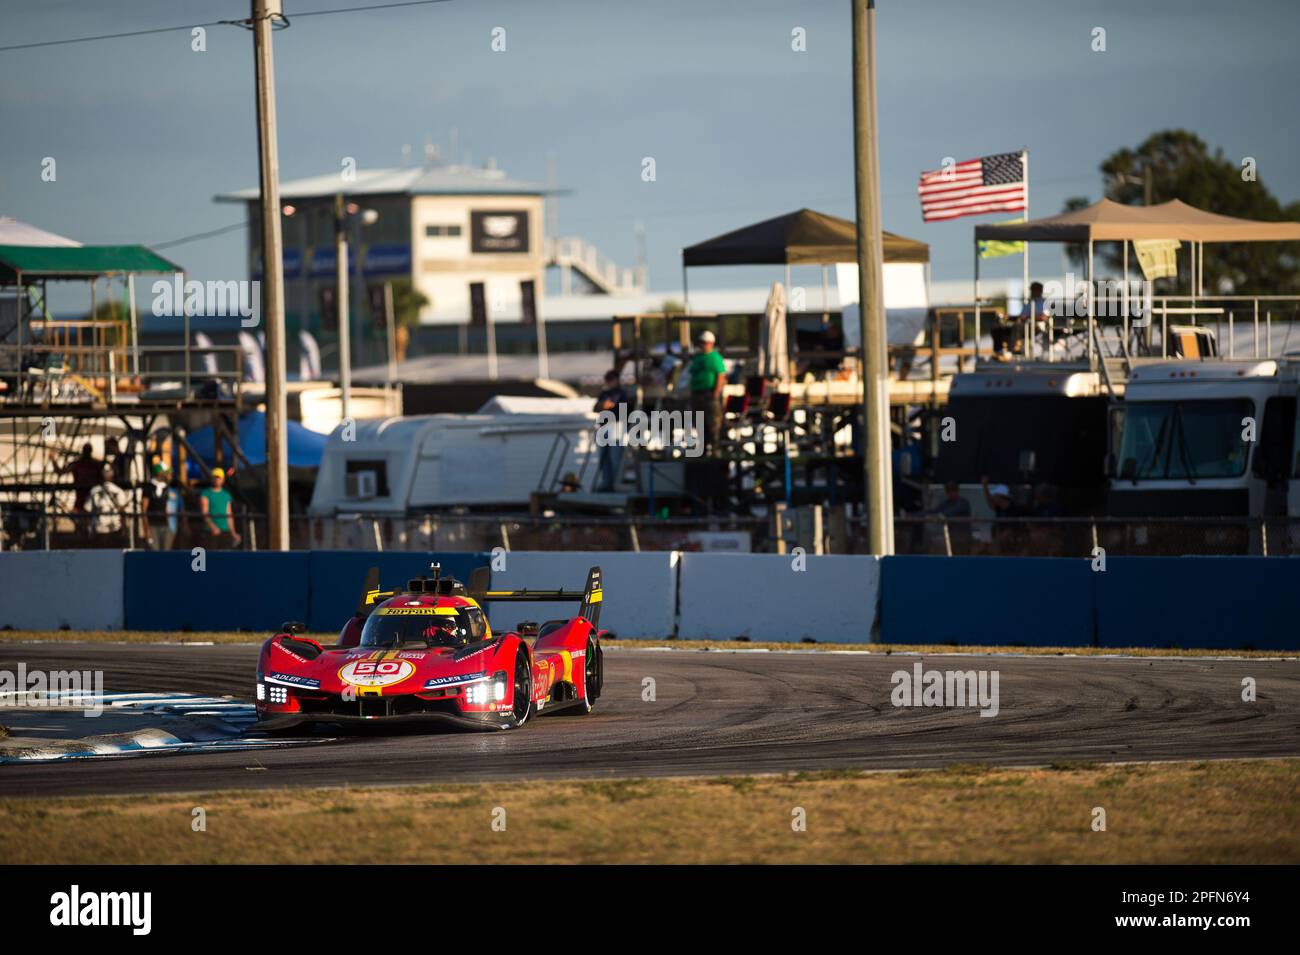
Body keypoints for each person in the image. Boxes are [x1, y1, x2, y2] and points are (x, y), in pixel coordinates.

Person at [687, 329, 727, 456]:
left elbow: (721, 376)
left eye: (705, 342)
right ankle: (703, 449)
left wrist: (715, 394)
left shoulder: (715, 357)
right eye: (701, 342)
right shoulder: (697, 357)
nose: (703, 345)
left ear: (711, 343)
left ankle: (715, 449)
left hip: (709, 394)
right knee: (699, 422)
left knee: (713, 422)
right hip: (697, 394)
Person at [593, 369, 630, 492]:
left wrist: (609, 406)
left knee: (616, 457)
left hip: (616, 426)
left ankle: (615, 483)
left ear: (617, 380)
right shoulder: (604, 393)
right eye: (607, 379)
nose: (609, 382)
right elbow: (595, 407)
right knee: (604, 457)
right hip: (603, 427)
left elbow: (623, 409)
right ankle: (606, 482)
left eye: (611, 379)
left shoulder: (621, 393)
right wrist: (603, 405)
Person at [85, 464, 132, 546]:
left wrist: (90, 529)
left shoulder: (94, 490)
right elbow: (123, 511)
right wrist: (125, 529)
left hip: (99, 529)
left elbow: (88, 510)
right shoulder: (119, 491)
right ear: (113, 476)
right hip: (114, 529)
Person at [60, 443, 101, 531]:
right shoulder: (82, 464)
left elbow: (61, 472)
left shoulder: (95, 464)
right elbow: (61, 472)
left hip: (91, 498)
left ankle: (85, 534)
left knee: (87, 521)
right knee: (81, 520)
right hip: (82, 499)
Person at [141, 461, 182, 550]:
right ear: (160, 473)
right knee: (154, 550)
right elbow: (144, 509)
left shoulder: (167, 488)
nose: (168, 474)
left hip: (165, 525)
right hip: (152, 525)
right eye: (166, 472)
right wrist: (146, 528)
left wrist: (172, 528)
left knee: (166, 551)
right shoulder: (148, 487)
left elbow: (168, 508)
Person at [200, 467, 241, 548]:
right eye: (214, 477)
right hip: (210, 532)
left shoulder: (226, 495)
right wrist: (213, 527)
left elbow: (229, 514)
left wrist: (233, 533)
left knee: (225, 557)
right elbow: (205, 512)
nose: (216, 479)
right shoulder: (205, 493)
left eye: (219, 477)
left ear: (223, 479)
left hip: (225, 531)